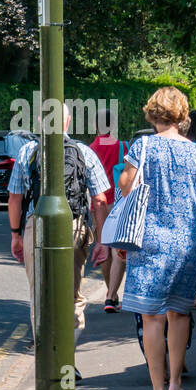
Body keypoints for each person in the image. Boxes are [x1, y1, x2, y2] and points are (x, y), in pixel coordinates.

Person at [119, 87, 196, 390]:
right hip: (186, 244)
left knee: (151, 318)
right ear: (182, 115)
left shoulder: (143, 146)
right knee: (180, 314)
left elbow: (125, 184)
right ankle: (176, 385)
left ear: (152, 114)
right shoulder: (195, 152)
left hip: (148, 242)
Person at [8, 104, 111, 370]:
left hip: (36, 225)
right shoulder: (83, 152)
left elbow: (15, 198)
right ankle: (65, 359)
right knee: (72, 296)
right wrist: (101, 241)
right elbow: (100, 201)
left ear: (42, 123)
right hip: (73, 227)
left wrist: (16, 236)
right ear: (67, 123)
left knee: (40, 295)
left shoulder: (27, 152)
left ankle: (46, 362)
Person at [89, 127, 125, 311]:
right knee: (117, 250)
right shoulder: (123, 146)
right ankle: (111, 295)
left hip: (98, 205)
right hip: (119, 202)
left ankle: (111, 293)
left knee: (103, 245)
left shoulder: (91, 148)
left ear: (96, 127)